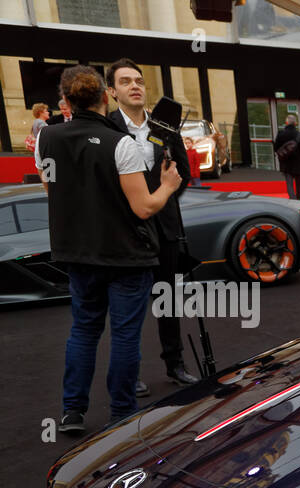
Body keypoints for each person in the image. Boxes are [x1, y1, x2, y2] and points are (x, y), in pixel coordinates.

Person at [37, 66, 181, 434]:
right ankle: (121, 413)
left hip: (77, 254)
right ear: (106, 97)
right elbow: (144, 207)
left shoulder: (47, 138)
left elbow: (54, 191)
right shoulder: (122, 144)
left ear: (66, 101)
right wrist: (166, 185)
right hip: (126, 255)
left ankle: (72, 411)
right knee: (124, 335)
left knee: (83, 330)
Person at [106, 57, 196, 391]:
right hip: (127, 230)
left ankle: (176, 365)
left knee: (169, 302)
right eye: (126, 81)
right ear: (112, 91)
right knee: (128, 307)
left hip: (167, 228)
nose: (135, 86)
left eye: (139, 81)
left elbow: (183, 175)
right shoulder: (107, 129)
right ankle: (130, 374)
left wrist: (163, 195)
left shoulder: (164, 128)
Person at [274, 115, 300, 199]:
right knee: (299, 183)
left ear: (286, 123)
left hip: (286, 163)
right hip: (299, 163)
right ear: (295, 123)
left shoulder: (281, 134)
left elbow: (276, 148)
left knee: (289, 184)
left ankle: (293, 200)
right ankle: (299, 200)